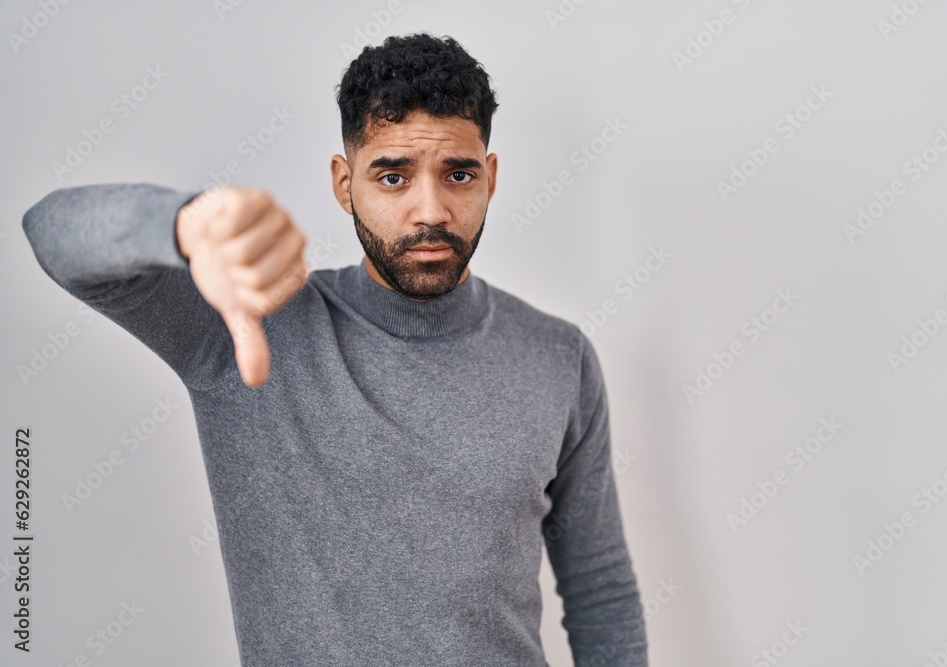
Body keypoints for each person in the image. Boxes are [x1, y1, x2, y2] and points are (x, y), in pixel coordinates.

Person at [22, 32, 648, 666]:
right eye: (393, 176)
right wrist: (183, 225)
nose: (428, 210)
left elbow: (601, 591)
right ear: (344, 184)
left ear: (488, 179)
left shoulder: (557, 357)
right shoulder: (253, 324)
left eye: (457, 174)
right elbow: (50, 234)